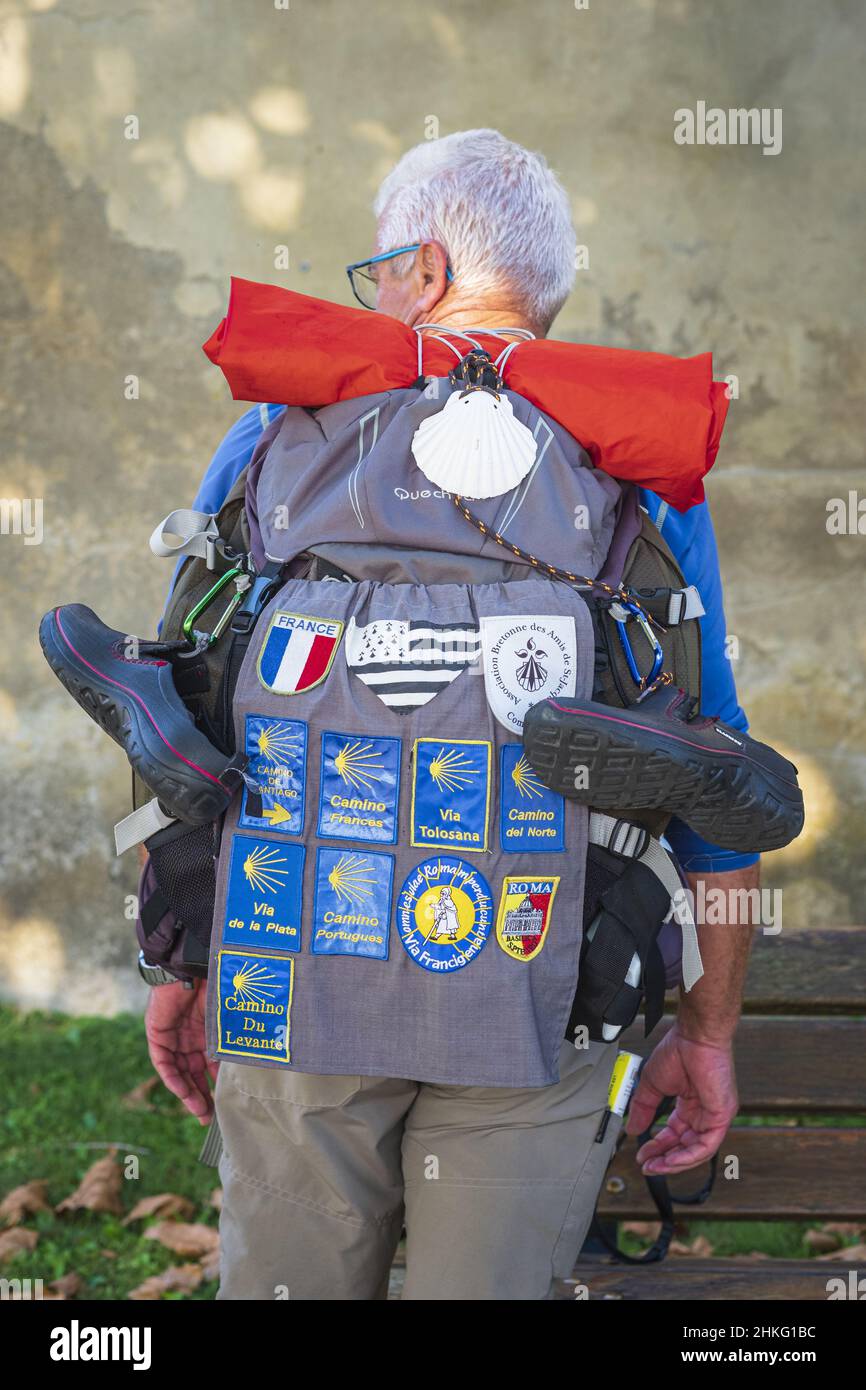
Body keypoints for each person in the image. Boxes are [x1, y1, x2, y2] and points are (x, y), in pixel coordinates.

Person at [143, 130, 761, 1300]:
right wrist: (708, 1029)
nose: (374, 291)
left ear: (423, 270)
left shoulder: (272, 441)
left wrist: (179, 960)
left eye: (378, 266)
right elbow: (714, 793)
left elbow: (189, 716)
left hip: (289, 984)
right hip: (541, 991)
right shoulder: (638, 474)